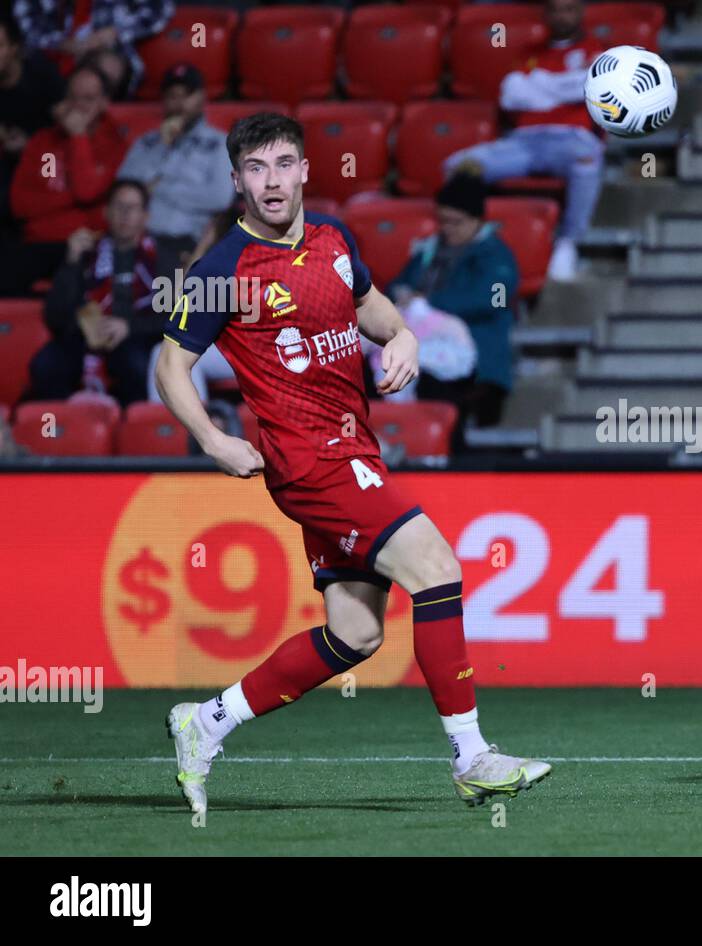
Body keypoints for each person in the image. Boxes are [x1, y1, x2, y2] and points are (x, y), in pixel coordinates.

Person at [154, 113, 550, 816]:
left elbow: (373, 308)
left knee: (356, 633)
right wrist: (213, 440)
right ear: (236, 181)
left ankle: (207, 722)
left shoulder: (335, 238)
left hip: (354, 447)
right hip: (311, 462)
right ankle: (471, 756)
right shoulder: (224, 269)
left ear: (307, 169)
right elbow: (171, 366)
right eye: (255, 169)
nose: (271, 182)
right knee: (439, 569)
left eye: (282, 164)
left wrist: (403, 340)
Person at [442, 0, 604, 281]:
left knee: (587, 159)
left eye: (569, 9)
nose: (562, 16)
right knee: (457, 165)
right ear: (546, 12)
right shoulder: (529, 53)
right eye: (555, 9)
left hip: (570, 139)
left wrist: (540, 85)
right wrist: (569, 86)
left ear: (581, 11)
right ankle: (471, 242)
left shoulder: (596, 51)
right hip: (522, 142)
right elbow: (510, 95)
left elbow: (594, 87)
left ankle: (568, 243)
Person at [387, 171, 519, 435]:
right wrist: (403, 297)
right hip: (421, 343)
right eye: (443, 221)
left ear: (477, 220)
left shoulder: (497, 256)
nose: (448, 229)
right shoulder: (430, 250)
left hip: (473, 355)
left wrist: (431, 302)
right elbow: (396, 286)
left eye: (456, 222)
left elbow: (496, 300)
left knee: (433, 389)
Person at [24, 178, 160, 405]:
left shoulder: (161, 257)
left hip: (135, 336)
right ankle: (62, 430)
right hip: (83, 337)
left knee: (136, 365)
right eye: (119, 206)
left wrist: (129, 327)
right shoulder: (86, 253)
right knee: (45, 364)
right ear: (106, 212)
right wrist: (71, 261)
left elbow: (175, 317)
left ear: (146, 216)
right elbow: (55, 314)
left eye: (132, 208)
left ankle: (128, 431)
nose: (124, 214)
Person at [5, 62, 127, 294]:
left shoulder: (116, 145)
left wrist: (78, 136)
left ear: (104, 102)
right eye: (74, 98)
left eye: (88, 99)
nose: (79, 107)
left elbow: (86, 190)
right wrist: (73, 201)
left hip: (86, 247)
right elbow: (19, 204)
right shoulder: (43, 141)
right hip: (36, 246)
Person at [117, 63, 235, 277]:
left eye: (186, 95)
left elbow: (219, 198)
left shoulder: (219, 144)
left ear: (201, 98)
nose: (179, 103)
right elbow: (124, 190)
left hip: (183, 243)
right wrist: (162, 149)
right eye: (172, 96)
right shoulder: (147, 144)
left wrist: (159, 187)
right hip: (136, 240)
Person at [13, 0, 173, 91]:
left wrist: (116, 32)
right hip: (53, 53)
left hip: (106, 51)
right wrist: (61, 43)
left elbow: (161, 8)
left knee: (108, 65)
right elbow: (25, 24)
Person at [0, 11, 65, 225]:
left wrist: (31, 146)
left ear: (14, 48)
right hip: (7, 159)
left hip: (48, 155)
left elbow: (66, 130)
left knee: (50, 172)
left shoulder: (42, 74)